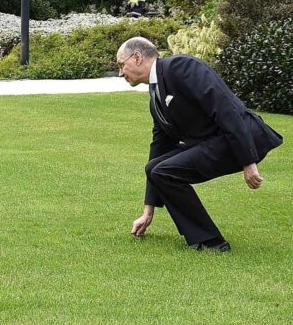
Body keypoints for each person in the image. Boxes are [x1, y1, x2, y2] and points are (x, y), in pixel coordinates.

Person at [117, 37, 283, 251]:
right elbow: (159, 147)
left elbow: (225, 109)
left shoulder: (182, 67)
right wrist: (148, 211)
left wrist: (248, 162)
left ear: (137, 57)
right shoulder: (156, 95)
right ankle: (206, 237)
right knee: (155, 168)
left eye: (122, 65)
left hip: (240, 138)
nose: (121, 72)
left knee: (166, 171)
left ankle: (213, 243)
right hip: (213, 142)